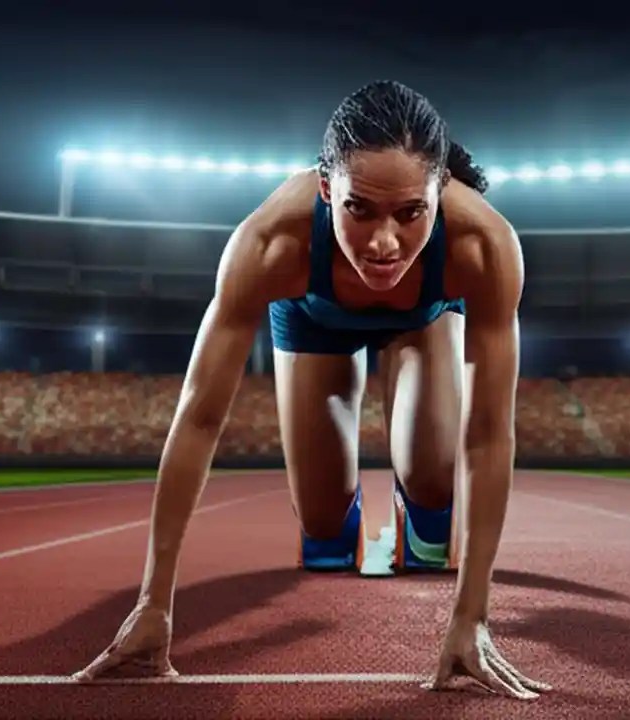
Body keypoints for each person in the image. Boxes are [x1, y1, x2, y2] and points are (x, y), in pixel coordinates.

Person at [72, 79, 549, 701]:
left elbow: (487, 435)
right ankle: (341, 527)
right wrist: (153, 603)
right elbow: (199, 417)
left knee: (435, 477)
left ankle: (418, 517)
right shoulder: (271, 243)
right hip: (314, 316)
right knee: (322, 524)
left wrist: (473, 617)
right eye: (359, 210)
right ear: (326, 189)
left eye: (411, 213)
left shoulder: (483, 246)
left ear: (442, 189)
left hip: (425, 317)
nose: (384, 243)